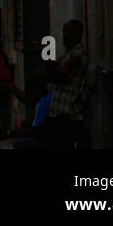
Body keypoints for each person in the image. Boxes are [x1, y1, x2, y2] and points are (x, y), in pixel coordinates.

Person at [46, 19, 91, 149]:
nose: (65, 35)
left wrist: (51, 69)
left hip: (69, 113)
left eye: (70, 32)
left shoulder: (79, 53)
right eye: (65, 31)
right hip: (58, 111)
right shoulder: (67, 53)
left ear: (79, 34)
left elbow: (60, 73)